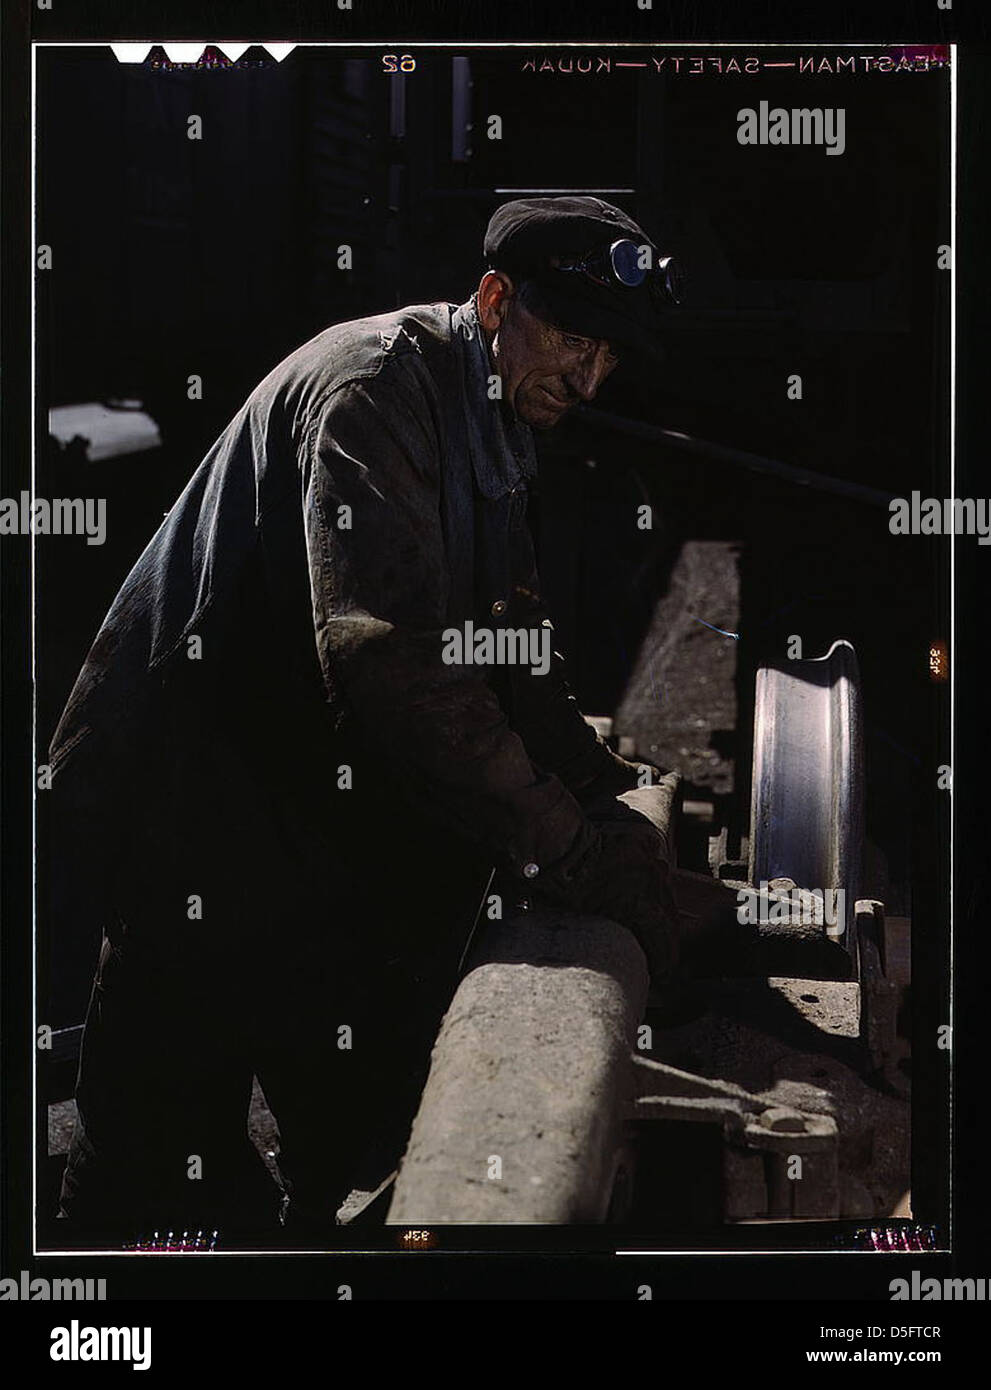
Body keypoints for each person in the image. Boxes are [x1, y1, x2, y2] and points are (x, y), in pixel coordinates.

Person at [48, 196, 685, 1239]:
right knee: (148, 1153)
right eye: (572, 340)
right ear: (492, 300)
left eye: (606, 355)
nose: (588, 378)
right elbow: (391, 659)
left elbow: (507, 651)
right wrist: (570, 849)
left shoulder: (497, 411)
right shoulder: (378, 391)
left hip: (291, 798)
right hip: (189, 801)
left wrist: (598, 785)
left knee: (340, 1113)